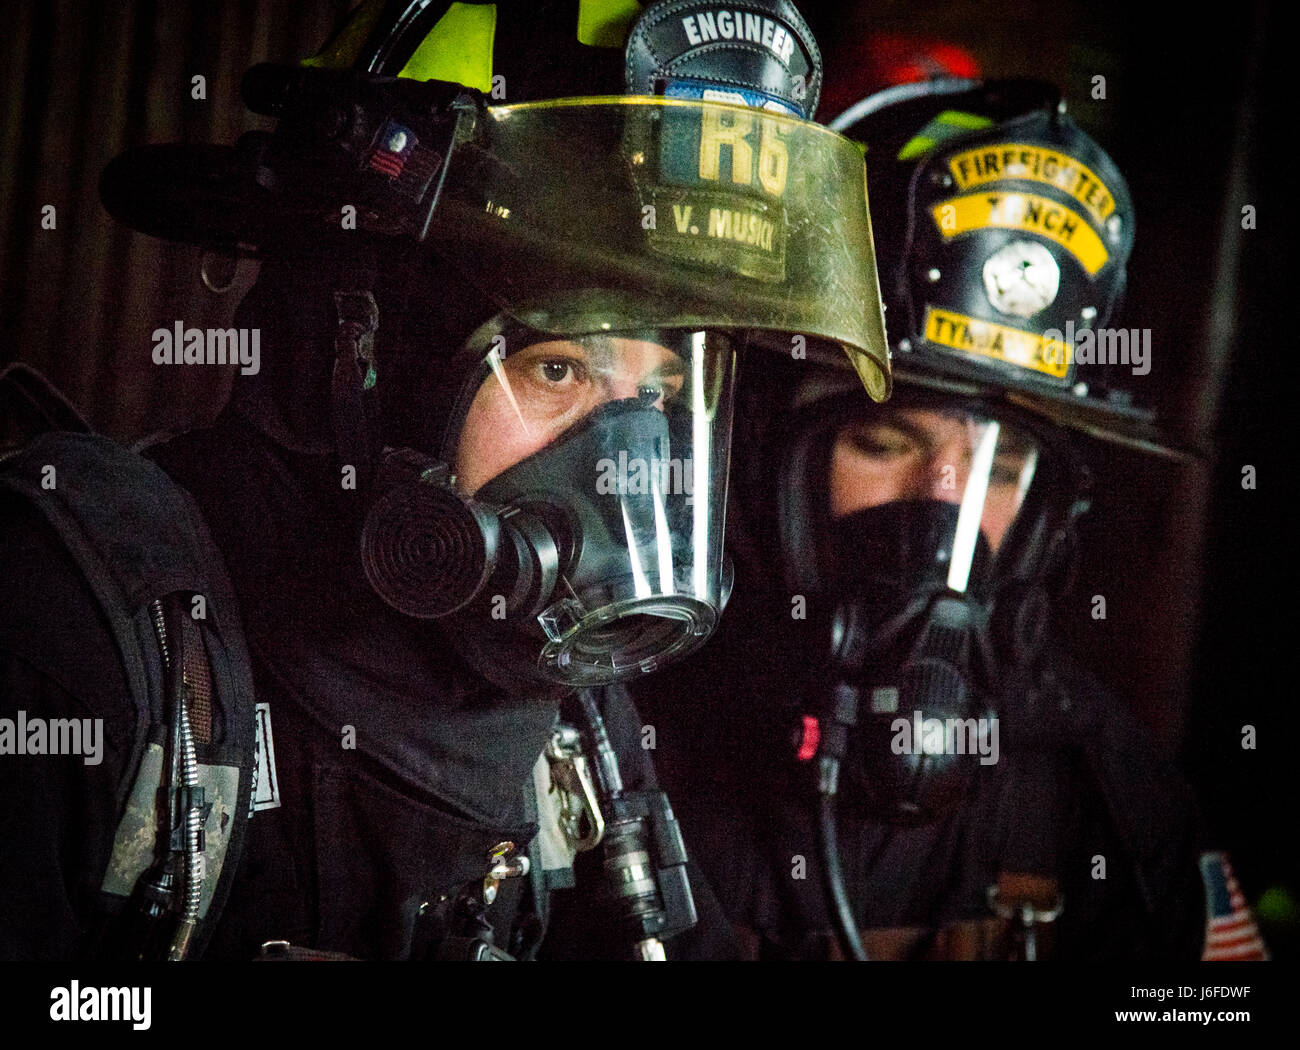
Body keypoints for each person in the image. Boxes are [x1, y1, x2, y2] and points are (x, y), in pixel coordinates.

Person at [0, 0, 892, 961]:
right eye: (561, 369)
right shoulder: (76, 628)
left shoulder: (583, 729)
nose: (625, 461)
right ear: (360, 355)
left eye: (664, 390)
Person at [642, 77, 1210, 961]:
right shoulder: (614, 746)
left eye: (1002, 465)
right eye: (881, 441)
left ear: (1046, 525)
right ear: (766, 474)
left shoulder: (1104, 795)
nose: (945, 502)